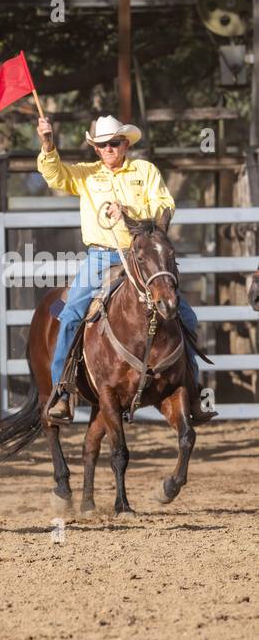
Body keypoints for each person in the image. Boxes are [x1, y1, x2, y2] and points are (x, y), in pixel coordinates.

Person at [38, 113, 214, 424]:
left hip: (142, 255)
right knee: (70, 316)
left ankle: (194, 389)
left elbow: (164, 205)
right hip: (101, 256)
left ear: (125, 144)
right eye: (103, 145)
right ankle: (61, 393)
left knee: (186, 315)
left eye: (114, 143)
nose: (109, 148)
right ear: (96, 149)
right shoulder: (86, 175)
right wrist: (48, 144)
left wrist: (129, 210)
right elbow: (54, 175)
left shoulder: (144, 171)